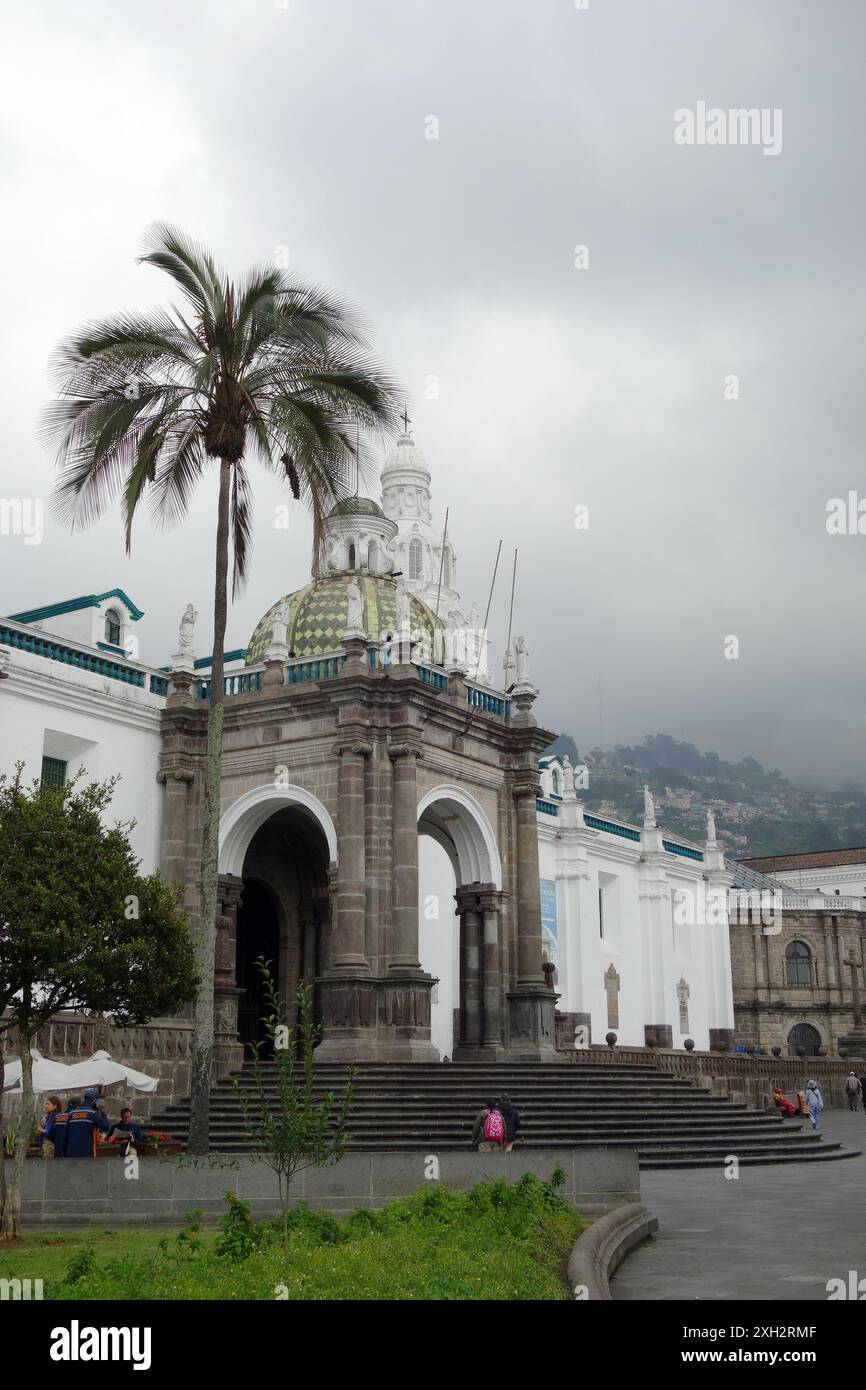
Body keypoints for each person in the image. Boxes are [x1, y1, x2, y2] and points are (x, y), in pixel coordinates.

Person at [64, 1088, 110, 1157]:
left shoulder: (72, 1113)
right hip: (86, 1154)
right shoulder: (93, 1114)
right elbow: (106, 1127)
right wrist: (102, 1111)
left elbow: (65, 1132)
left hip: (71, 1152)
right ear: (94, 1101)